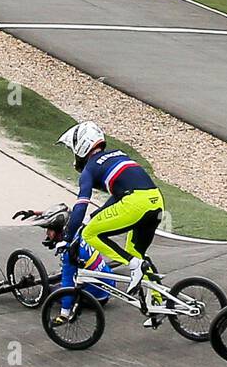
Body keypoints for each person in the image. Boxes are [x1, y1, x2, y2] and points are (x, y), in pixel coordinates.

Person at [55, 122, 165, 327]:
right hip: (156, 201)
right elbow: (118, 194)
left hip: (135, 203)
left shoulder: (90, 169)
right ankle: (158, 304)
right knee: (136, 251)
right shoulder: (117, 154)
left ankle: (134, 266)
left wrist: (68, 238)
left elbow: (80, 206)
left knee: (90, 234)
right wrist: (97, 214)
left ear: (82, 147)